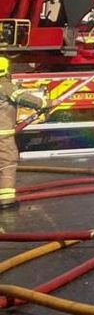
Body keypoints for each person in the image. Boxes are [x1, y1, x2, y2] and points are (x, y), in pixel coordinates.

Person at [0, 57, 46, 209]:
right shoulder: (5, 86)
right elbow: (22, 97)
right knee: (7, 164)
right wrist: (46, 103)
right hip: (3, 136)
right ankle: (7, 201)